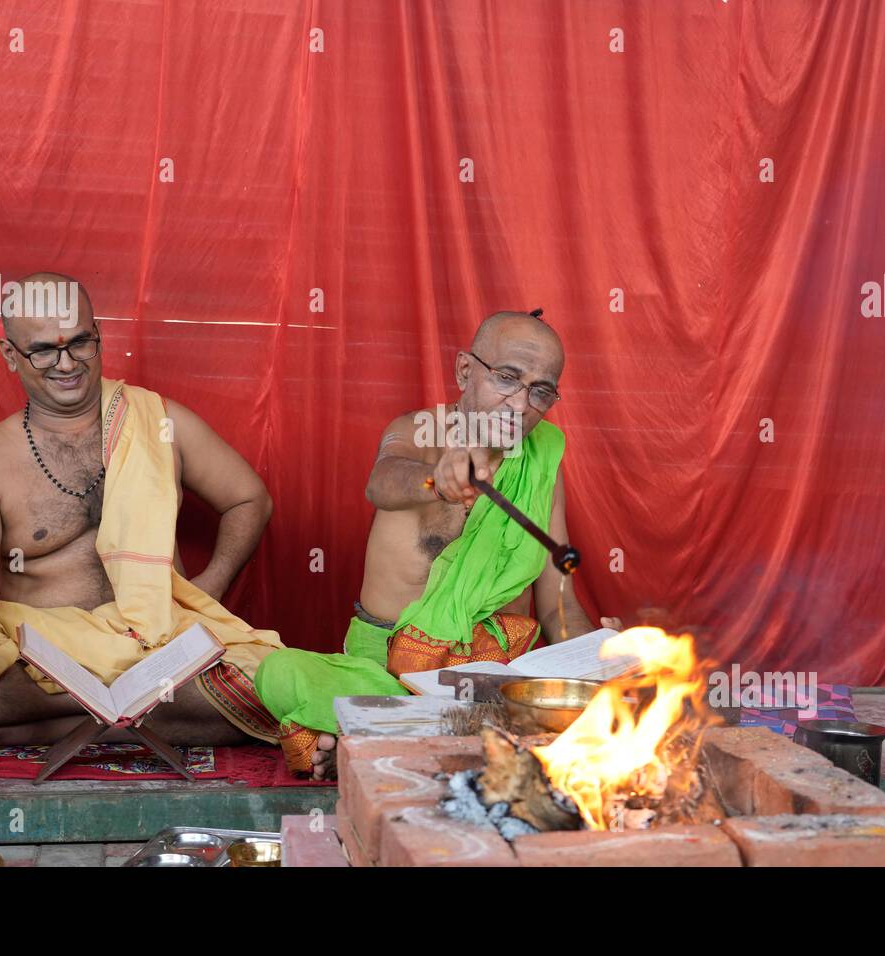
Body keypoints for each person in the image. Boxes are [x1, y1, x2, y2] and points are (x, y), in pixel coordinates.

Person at [0, 273, 286, 752]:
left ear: (98, 334)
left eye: (81, 342)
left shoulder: (157, 422)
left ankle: (56, 726)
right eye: (43, 351)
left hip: (159, 645)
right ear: (10, 355)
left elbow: (250, 498)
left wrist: (212, 586)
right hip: (41, 656)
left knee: (278, 683)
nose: (67, 363)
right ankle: (124, 718)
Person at [254, 310, 619, 778]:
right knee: (281, 673)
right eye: (507, 378)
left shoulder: (542, 458)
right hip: (383, 669)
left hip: (490, 677)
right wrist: (435, 480)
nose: (520, 403)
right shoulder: (419, 431)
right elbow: (382, 480)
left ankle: (381, 734)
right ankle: (444, 733)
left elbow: (557, 606)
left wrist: (599, 659)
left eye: (540, 391)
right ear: (466, 370)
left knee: (589, 706)